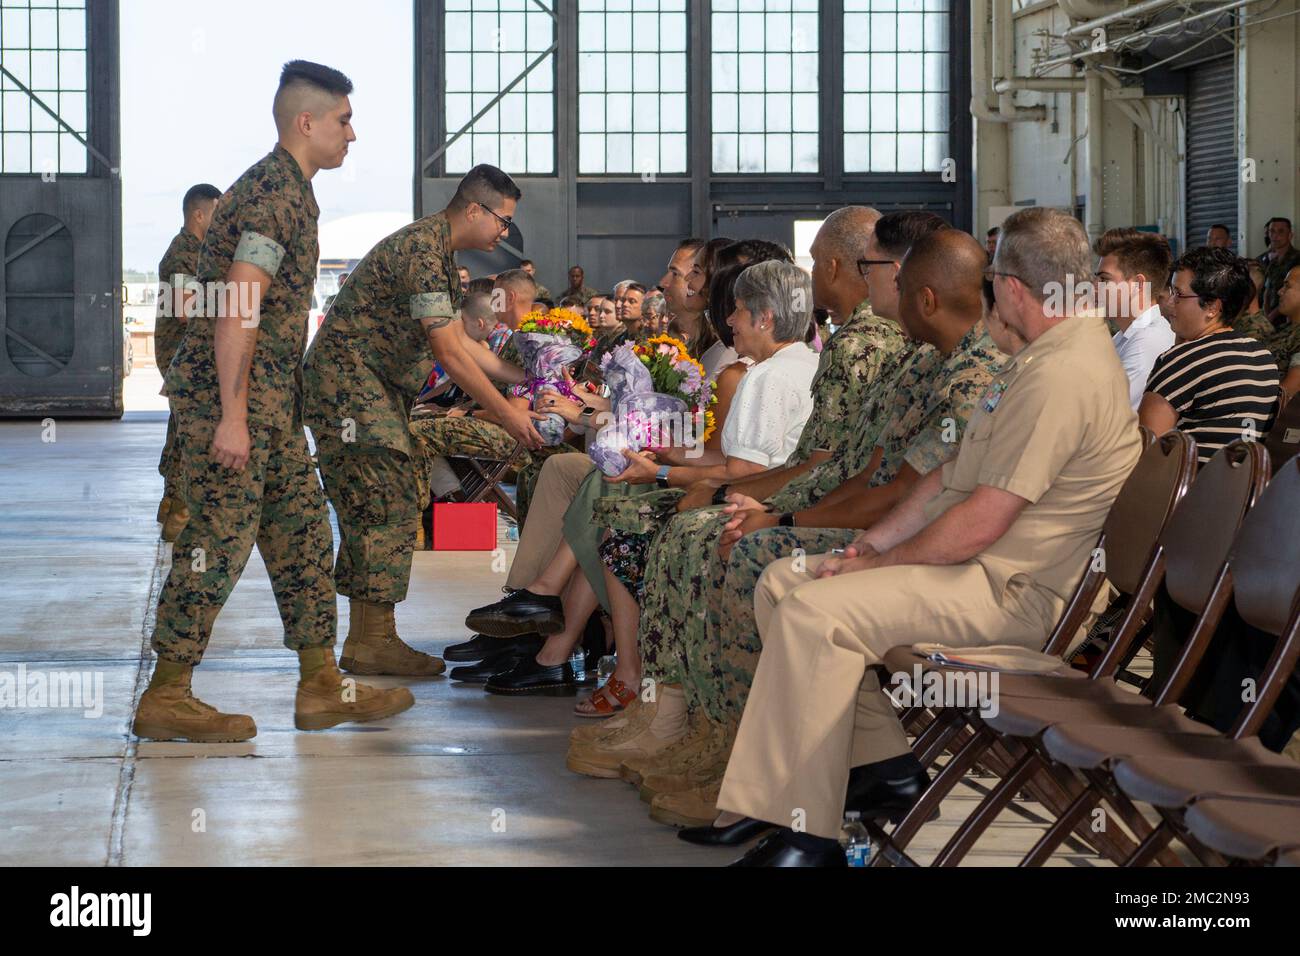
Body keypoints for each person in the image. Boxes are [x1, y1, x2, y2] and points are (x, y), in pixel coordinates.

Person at [718, 207, 1142, 866]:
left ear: (1016, 290)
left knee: (816, 612)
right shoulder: (1037, 359)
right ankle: (884, 764)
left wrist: (863, 572)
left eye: (996, 282)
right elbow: (947, 481)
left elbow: (981, 520)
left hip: (1015, 596)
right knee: (784, 581)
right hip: (976, 574)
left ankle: (805, 832)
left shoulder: (1063, 373)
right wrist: (868, 549)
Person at [653, 231, 1007, 832]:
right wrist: (786, 513)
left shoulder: (978, 375)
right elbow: (861, 470)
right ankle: (737, 751)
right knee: (741, 543)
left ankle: (763, 773)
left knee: (759, 559)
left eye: (879, 271)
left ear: (919, 292)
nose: (874, 287)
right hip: (893, 531)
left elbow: (904, 495)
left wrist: (789, 522)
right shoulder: (926, 359)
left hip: (954, 565)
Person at [135, 61, 414, 743]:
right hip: (238, 405)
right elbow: (239, 306)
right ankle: (166, 694)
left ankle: (321, 685)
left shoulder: (289, 189)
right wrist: (231, 416)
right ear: (307, 122)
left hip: (271, 407)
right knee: (216, 543)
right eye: (344, 120)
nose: (353, 134)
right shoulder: (273, 196)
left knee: (302, 537)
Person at [305, 168, 545, 677]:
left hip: (369, 388)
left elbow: (459, 341)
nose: (505, 233)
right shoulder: (422, 250)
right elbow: (448, 354)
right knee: (386, 496)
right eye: (503, 221)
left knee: (383, 498)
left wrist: (522, 376)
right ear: (475, 210)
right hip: (351, 386)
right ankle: (373, 640)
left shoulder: (436, 250)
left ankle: (368, 637)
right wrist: (506, 414)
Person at [1140, 247, 1281, 464]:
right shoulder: (1262, 357)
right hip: (1246, 493)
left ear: (1213, 307)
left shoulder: (1182, 361)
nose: (1169, 302)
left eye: (1179, 294)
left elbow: (1146, 452)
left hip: (1191, 491)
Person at [155, 182, 222, 542]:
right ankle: (182, 514)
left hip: (188, 356)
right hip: (183, 356)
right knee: (193, 430)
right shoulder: (183, 253)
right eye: (217, 211)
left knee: (180, 428)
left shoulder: (198, 252)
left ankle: (172, 505)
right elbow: (184, 309)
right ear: (199, 214)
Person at [1094, 232, 1175, 410]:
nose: (1094, 287)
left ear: (1138, 285)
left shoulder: (1147, 341)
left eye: (1104, 279)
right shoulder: (1124, 338)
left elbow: (1106, 415)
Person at [1257, 217, 1300, 323]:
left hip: (1288, 319)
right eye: (1272, 231)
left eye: (1281, 231)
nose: (1275, 236)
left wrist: (1271, 316)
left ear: (1290, 235)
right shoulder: (1266, 260)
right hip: (1265, 318)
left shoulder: (1297, 259)